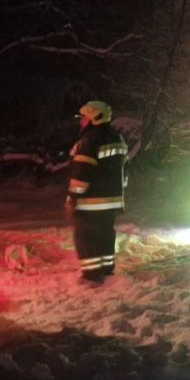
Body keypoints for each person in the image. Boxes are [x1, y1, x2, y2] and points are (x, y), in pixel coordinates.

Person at [65, 100, 127, 284]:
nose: (81, 121)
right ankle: (106, 268)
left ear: (94, 118)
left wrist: (73, 198)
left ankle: (91, 275)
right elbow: (125, 170)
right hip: (113, 200)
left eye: (84, 117)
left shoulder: (88, 141)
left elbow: (81, 173)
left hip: (90, 202)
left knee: (86, 236)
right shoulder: (118, 138)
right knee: (105, 234)